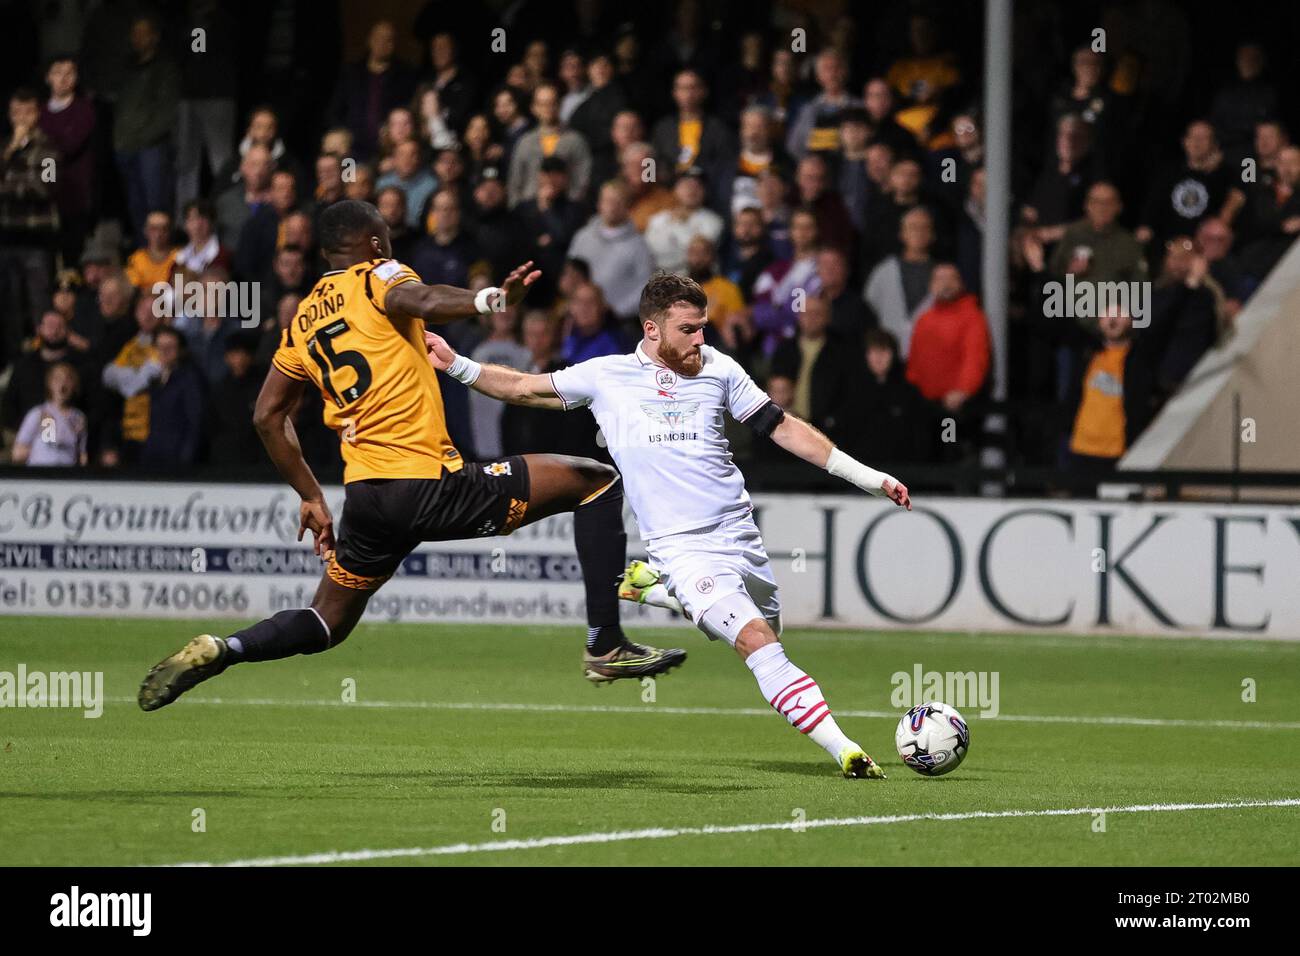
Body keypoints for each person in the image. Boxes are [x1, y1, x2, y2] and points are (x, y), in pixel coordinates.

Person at [138, 200, 686, 713]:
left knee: (326, 621)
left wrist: (310, 495)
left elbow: (266, 416)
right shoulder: (380, 274)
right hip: (428, 482)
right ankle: (605, 643)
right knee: (594, 481)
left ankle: (225, 647)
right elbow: (419, 299)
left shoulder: (303, 318)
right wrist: (491, 299)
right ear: (376, 242)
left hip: (369, 498)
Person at [427, 271, 912, 779]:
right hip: (683, 548)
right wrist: (457, 364)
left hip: (740, 537)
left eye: (703, 326)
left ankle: (654, 590)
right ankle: (846, 750)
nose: (701, 338)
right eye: (688, 329)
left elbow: (783, 427)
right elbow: (526, 388)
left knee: (768, 629)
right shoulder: (607, 376)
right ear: (652, 329)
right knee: (756, 642)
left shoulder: (719, 368)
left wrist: (867, 477)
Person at [12, 362, 87, 467]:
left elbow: (82, 455)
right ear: (49, 383)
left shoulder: (79, 418)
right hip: (41, 476)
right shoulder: (37, 413)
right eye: (57, 379)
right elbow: (17, 454)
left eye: (68, 379)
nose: (62, 384)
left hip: (67, 478)